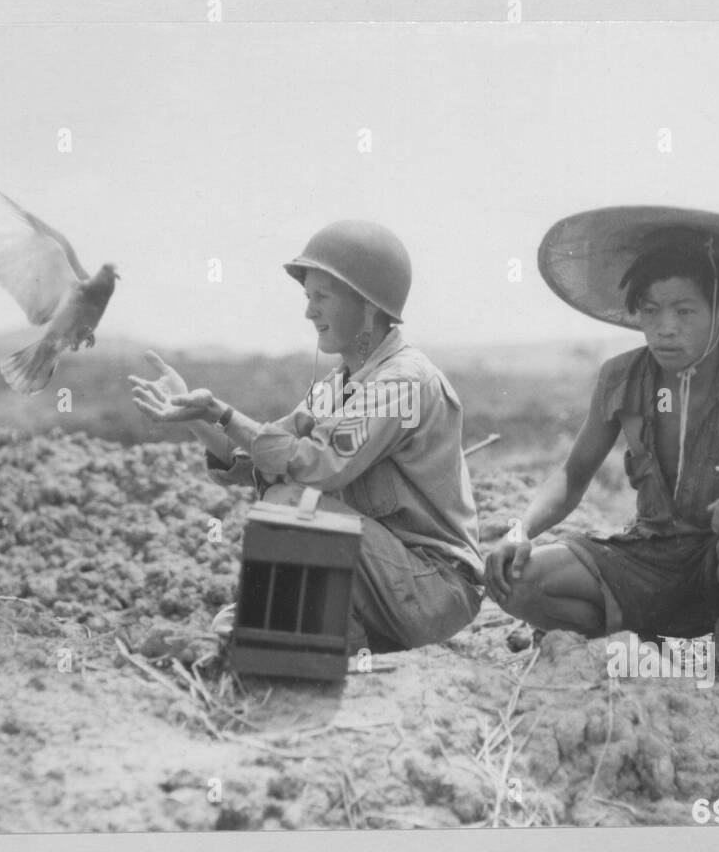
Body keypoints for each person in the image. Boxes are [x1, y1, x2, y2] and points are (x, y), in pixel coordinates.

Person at [484, 210, 719, 698]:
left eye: (684, 311)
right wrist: (520, 530)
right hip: (644, 561)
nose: (665, 329)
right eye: (650, 310)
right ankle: (638, 640)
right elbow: (573, 476)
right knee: (514, 582)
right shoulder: (619, 378)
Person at [131, 219, 483, 655]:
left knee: (290, 505)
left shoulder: (402, 383)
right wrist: (195, 415)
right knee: (238, 620)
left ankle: (327, 642)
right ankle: (334, 637)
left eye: (322, 297)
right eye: (308, 297)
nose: (309, 312)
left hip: (435, 589)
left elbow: (315, 464)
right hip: (387, 581)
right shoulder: (341, 384)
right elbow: (261, 454)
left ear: (368, 304)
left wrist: (223, 412)